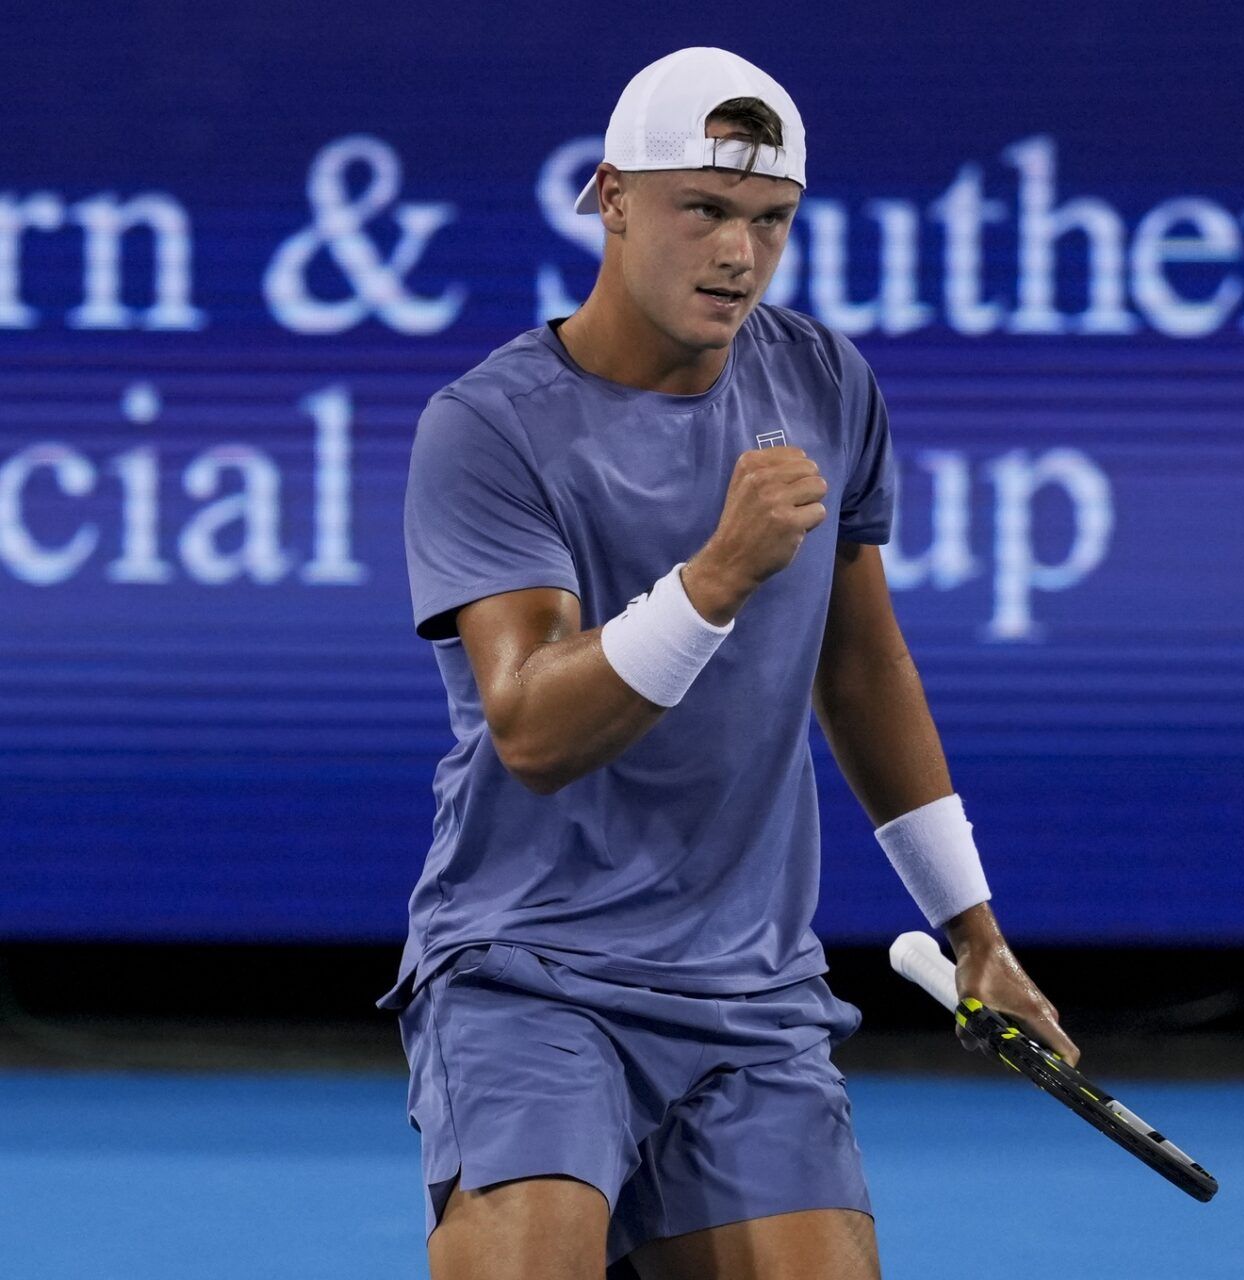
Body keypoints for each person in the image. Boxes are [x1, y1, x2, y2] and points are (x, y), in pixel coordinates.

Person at [376, 46, 1079, 1280]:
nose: (739, 253)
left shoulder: (825, 380)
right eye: (703, 209)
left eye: (770, 219)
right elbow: (530, 729)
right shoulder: (485, 427)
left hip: (751, 996)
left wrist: (975, 928)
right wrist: (714, 577)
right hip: (530, 973)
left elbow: (863, 668)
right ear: (612, 198)